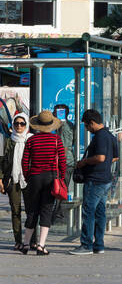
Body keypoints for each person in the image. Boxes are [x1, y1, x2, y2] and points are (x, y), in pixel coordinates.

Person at [71, 109, 119, 256]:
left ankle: (86, 245)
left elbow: (100, 157)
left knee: (88, 212)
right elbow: (115, 157)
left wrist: (84, 162)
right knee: (100, 213)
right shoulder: (110, 135)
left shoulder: (100, 137)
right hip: (105, 179)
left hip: (95, 179)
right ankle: (99, 244)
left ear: (92, 123)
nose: (86, 129)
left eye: (86, 126)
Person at [22, 109, 67, 256]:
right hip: (50, 178)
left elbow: (24, 162)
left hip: (34, 177)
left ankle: (26, 244)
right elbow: (62, 161)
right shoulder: (56, 140)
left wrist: (28, 176)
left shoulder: (31, 140)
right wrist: (61, 176)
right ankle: (41, 245)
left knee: (32, 210)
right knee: (46, 210)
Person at [1, 112, 30, 251]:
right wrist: (0, 179)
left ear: (26, 125)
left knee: (31, 211)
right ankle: (18, 241)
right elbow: (0, 161)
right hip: (12, 180)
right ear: (13, 125)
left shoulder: (30, 140)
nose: (19, 126)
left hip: (29, 180)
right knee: (15, 210)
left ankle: (31, 241)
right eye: (17, 123)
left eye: (22, 123)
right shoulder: (6, 141)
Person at [51, 103, 75, 226]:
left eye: (58, 112)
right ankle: (56, 213)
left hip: (64, 162)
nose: (55, 114)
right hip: (61, 161)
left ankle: (58, 215)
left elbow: (65, 147)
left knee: (60, 189)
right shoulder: (57, 126)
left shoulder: (65, 127)